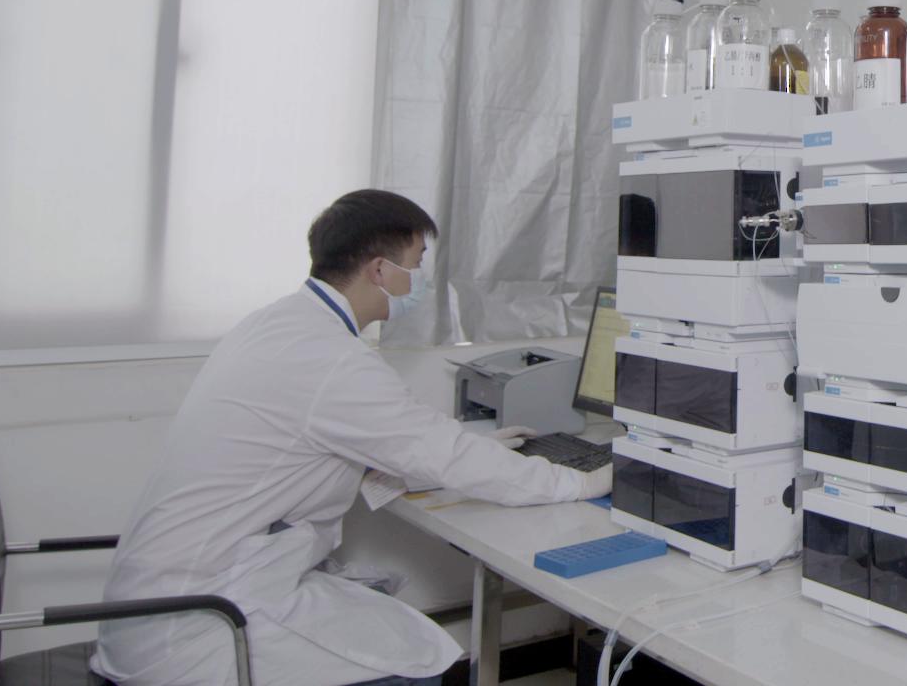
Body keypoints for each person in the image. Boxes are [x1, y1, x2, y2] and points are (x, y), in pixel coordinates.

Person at [92, 190, 613, 686]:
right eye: (417, 262)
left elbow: (380, 443)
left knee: (394, 627)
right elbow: (437, 452)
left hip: (168, 599)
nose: (421, 278)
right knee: (421, 657)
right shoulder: (331, 358)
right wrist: (579, 482)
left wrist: (475, 449)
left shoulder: (277, 324)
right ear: (380, 271)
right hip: (202, 623)